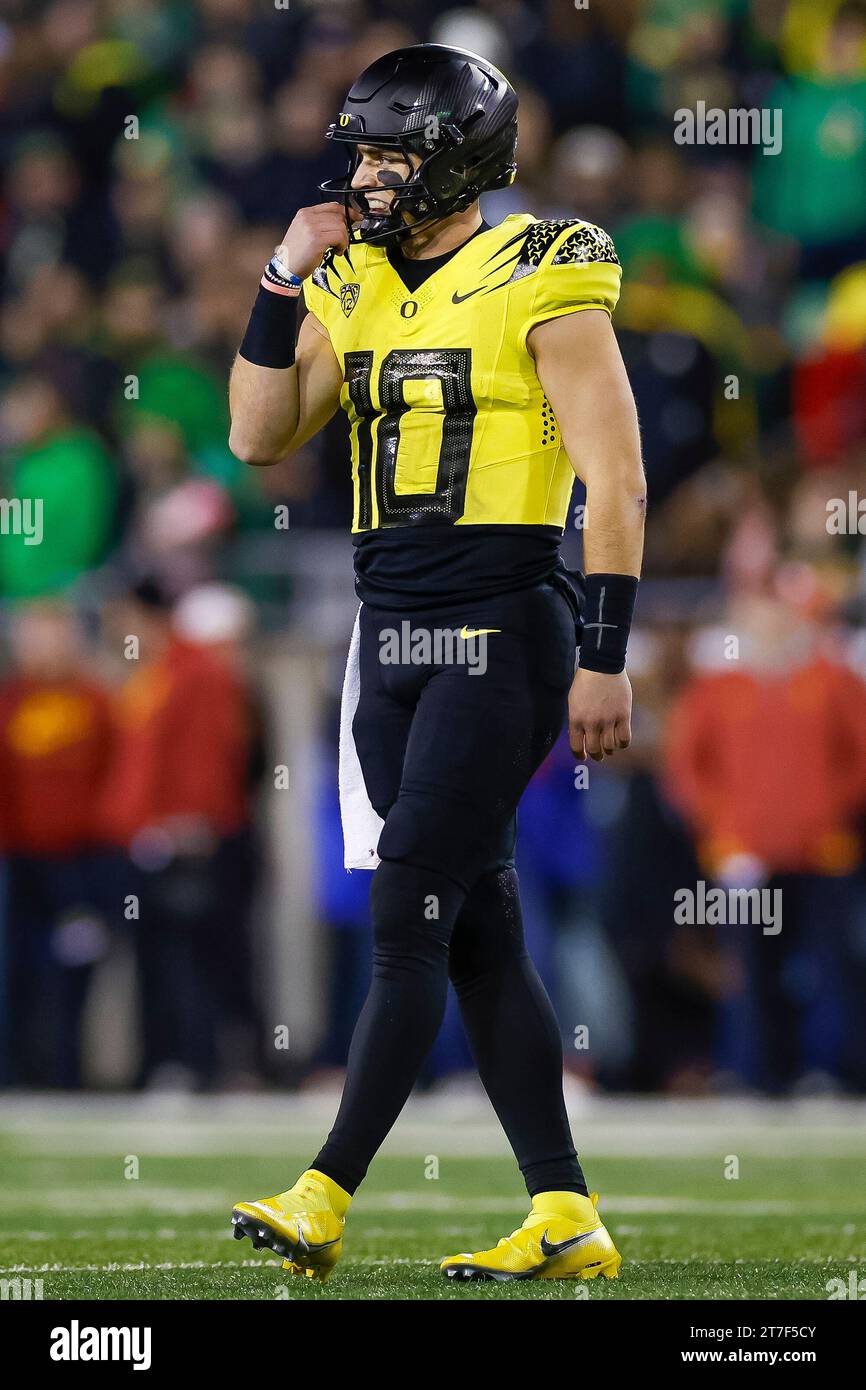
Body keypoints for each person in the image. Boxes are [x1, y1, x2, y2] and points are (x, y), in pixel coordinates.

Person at [228, 44, 645, 1284]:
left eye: (385, 154)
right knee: (476, 929)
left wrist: (603, 657)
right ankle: (563, 1210)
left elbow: (614, 477)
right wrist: (278, 279)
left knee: (406, 904)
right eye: (357, 151)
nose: (361, 176)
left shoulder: (541, 265)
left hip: (500, 621)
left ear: (454, 159)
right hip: (386, 632)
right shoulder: (348, 278)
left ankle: (324, 1190)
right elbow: (257, 435)